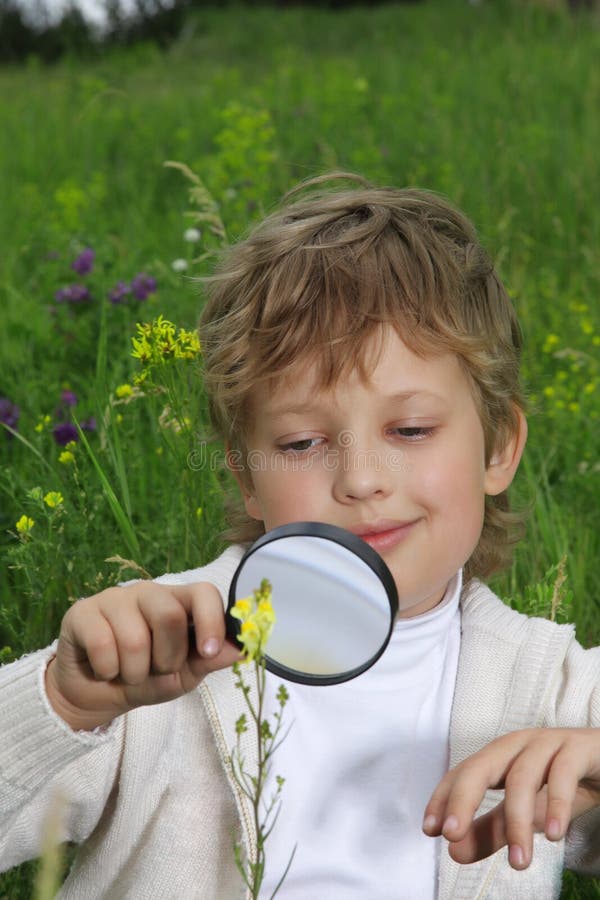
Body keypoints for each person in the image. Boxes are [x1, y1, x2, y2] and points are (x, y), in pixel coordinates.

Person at [1, 173, 599, 899]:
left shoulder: (555, 688)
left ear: (499, 447)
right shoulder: (148, 654)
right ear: (246, 475)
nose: (362, 479)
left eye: (409, 429)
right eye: (303, 441)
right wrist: (63, 704)